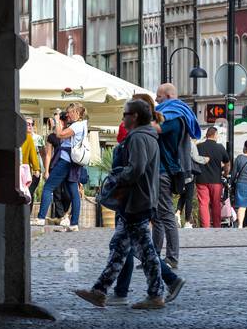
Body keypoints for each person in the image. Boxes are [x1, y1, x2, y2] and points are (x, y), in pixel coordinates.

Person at [74, 100, 184, 310]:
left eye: (125, 114)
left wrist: (117, 177)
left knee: (146, 251)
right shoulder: (147, 136)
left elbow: (136, 169)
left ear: (133, 116)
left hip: (136, 200)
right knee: (119, 248)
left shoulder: (138, 137)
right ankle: (100, 291)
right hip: (139, 200)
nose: (122, 118)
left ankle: (156, 294)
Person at [153, 83, 201, 268]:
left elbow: (155, 129)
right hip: (162, 170)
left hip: (165, 171)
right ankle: (155, 256)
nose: (156, 100)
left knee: (166, 215)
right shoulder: (173, 113)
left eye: (158, 96)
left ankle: (172, 257)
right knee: (158, 215)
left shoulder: (173, 116)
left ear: (167, 96)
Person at [36, 102, 88, 231]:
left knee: (48, 187)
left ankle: (41, 218)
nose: (68, 114)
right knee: (73, 192)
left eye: (69, 112)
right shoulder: (82, 125)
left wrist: (57, 120)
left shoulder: (77, 126)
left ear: (76, 112)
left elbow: (59, 135)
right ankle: (74, 224)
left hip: (66, 161)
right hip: (74, 162)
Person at [195, 126, 229, 228]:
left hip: (201, 179)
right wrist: (225, 174)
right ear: (214, 135)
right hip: (216, 180)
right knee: (216, 204)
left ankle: (206, 227)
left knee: (203, 203)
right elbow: (227, 163)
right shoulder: (220, 147)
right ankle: (217, 226)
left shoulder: (199, 146)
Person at [21, 116, 42, 201]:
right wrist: (36, 169)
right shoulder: (27, 137)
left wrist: (37, 168)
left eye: (32, 124)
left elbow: (34, 154)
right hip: (21, 170)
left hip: (23, 170)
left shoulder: (33, 138)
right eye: (27, 124)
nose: (30, 126)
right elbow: (33, 155)